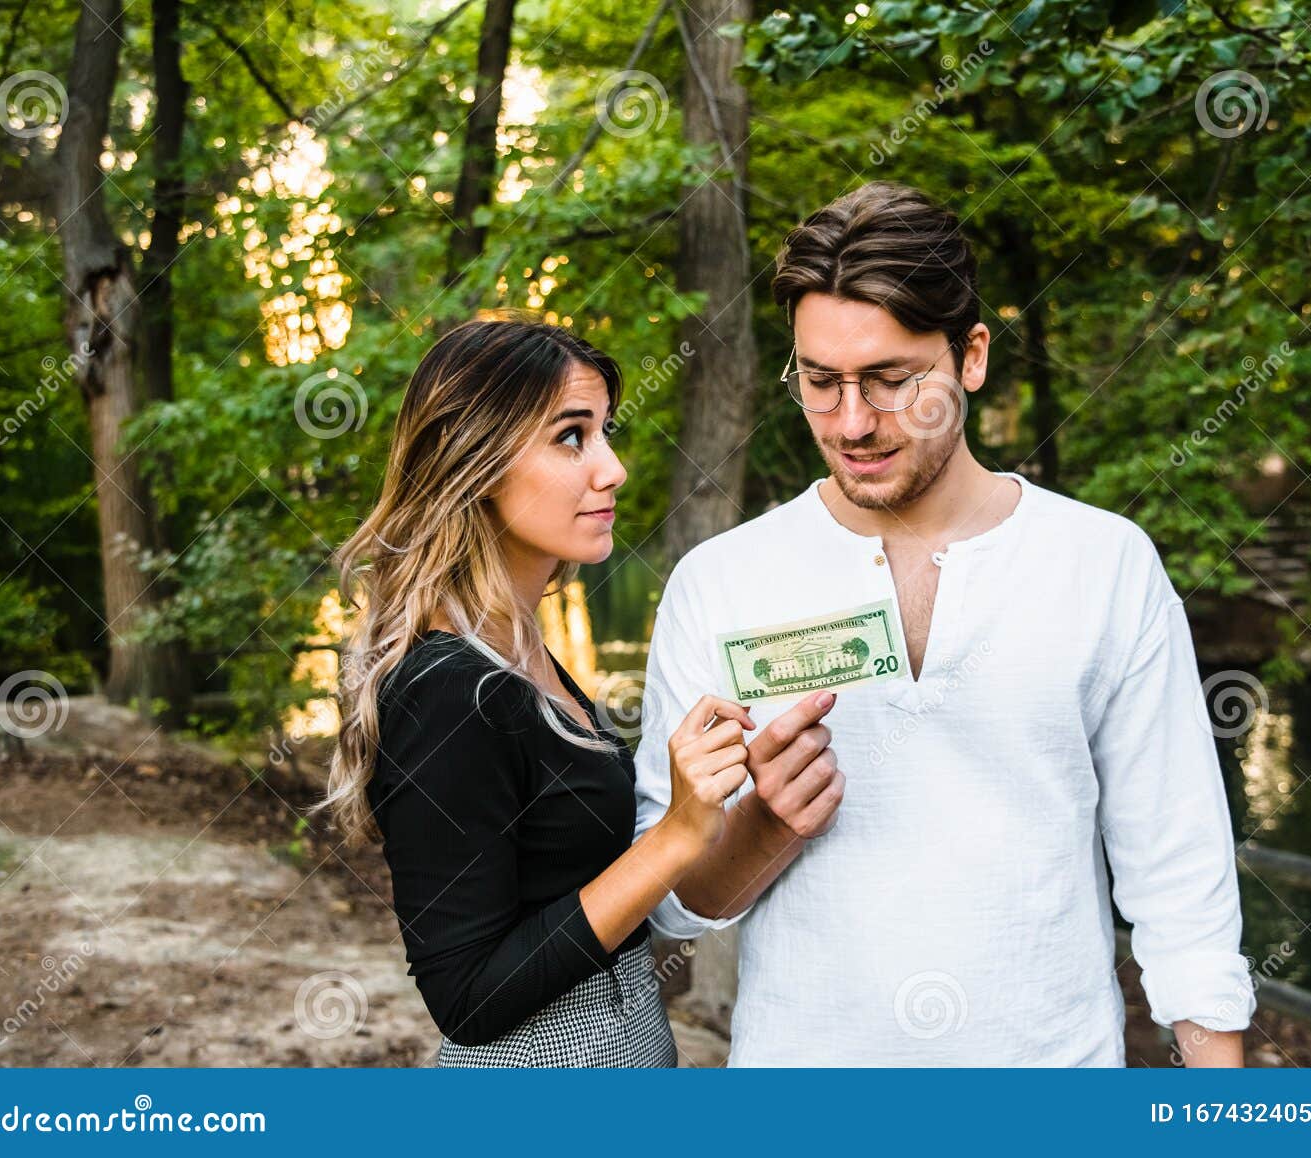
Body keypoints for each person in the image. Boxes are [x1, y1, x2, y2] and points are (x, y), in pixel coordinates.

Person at [634, 182, 1256, 1066]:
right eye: (820, 383)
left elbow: (1180, 875)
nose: (853, 423)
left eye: (891, 381)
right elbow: (677, 899)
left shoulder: (1105, 564)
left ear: (971, 355)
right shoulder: (721, 581)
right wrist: (763, 825)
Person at [314, 318, 830, 1067]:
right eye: (570, 437)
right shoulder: (446, 690)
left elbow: (577, 889)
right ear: (478, 464)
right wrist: (676, 833)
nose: (613, 468)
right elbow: (468, 997)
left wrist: (753, 809)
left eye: (604, 432)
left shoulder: (520, 655)